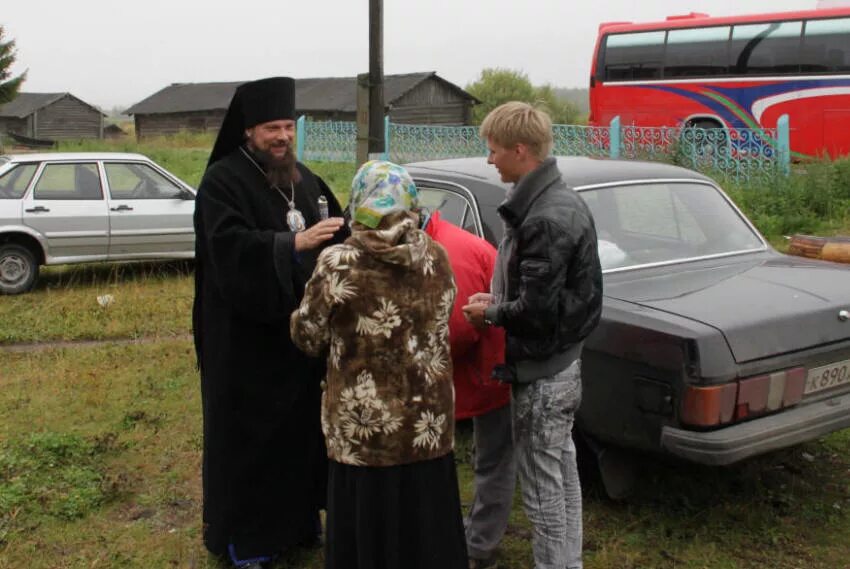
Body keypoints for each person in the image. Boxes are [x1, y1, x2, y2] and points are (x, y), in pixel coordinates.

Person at [192, 76, 349, 568]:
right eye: (271, 129)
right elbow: (228, 251)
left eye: (288, 126)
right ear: (247, 132)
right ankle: (247, 542)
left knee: (300, 438)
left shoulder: (304, 178)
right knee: (252, 444)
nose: (282, 137)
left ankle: (299, 525)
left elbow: (339, 232)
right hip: (244, 344)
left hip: (296, 341)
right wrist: (291, 245)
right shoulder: (222, 182)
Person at [290, 161, 468, 569]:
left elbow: (308, 336)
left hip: (365, 431)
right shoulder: (436, 256)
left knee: (368, 531)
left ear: (358, 203)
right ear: (411, 204)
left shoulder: (340, 262)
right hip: (428, 422)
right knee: (426, 528)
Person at [462, 102, 603, 569]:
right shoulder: (561, 198)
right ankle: (569, 562)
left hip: (543, 376)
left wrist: (491, 314)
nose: (490, 160)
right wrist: (499, 302)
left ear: (520, 150)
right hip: (563, 362)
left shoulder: (544, 217)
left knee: (543, 493)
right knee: (563, 476)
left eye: (494, 150)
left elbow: (536, 312)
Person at [422, 210, 516, 569]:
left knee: (493, 458)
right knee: (486, 455)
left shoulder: (446, 253)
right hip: (484, 365)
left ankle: (480, 546)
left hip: (490, 367)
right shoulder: (437, 240)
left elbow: (457, 330)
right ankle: (470, 532)